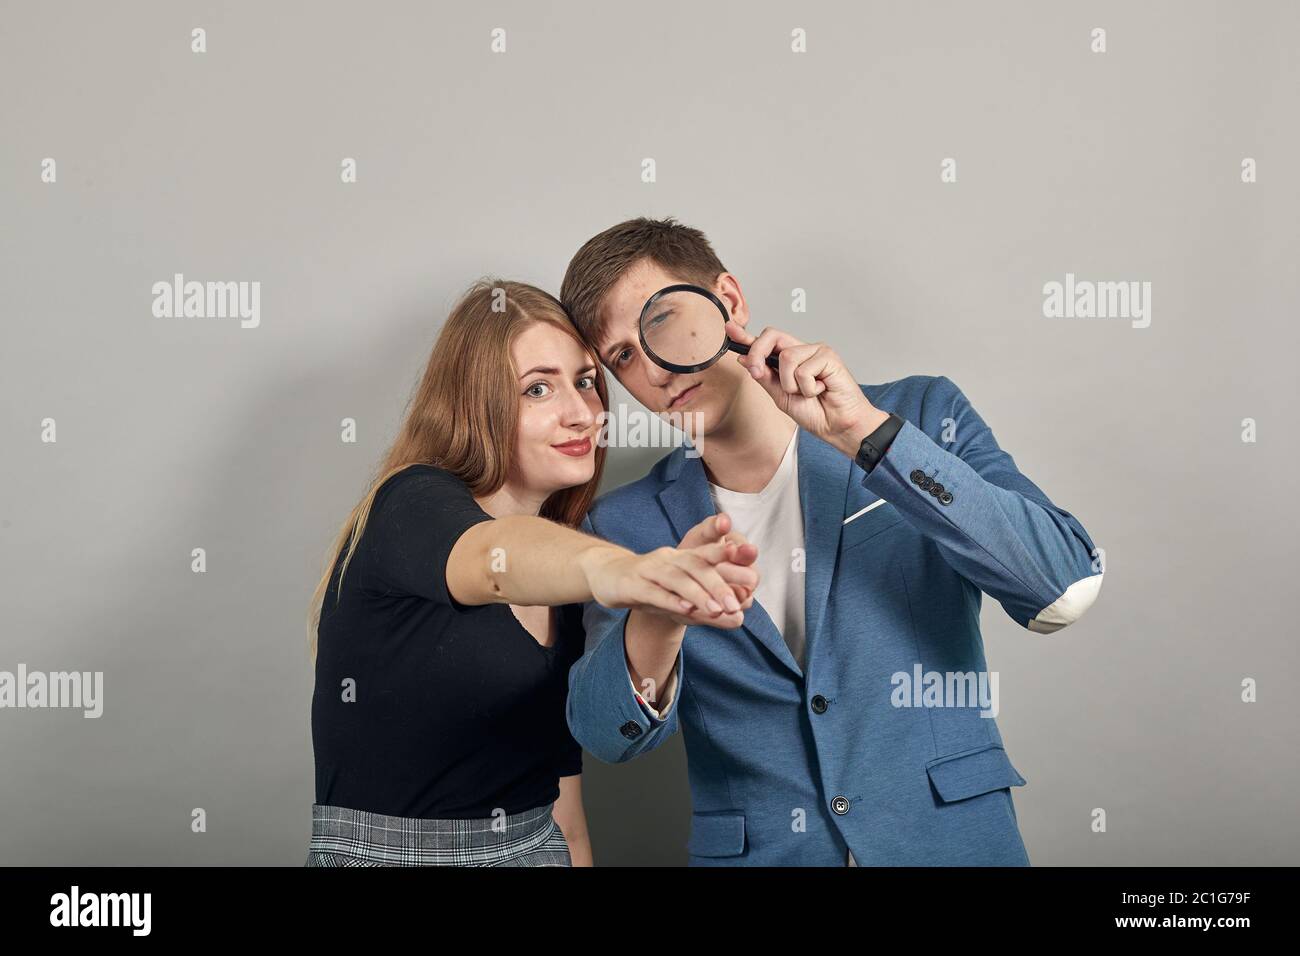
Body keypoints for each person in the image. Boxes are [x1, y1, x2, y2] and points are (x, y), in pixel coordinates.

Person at [559, 218, 1105, 865]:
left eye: (663, 322)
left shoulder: (923, 414)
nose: (653, 367)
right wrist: (655, 619)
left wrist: (866, 437)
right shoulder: (621, 525)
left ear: (728, 301)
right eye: (621, 356)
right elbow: (607, 735)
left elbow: (1064, 588)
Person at [305, 278, 758, 866]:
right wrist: (621, 570)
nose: (579, 413)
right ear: (476, 406)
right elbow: (494, 560)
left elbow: (565, 813)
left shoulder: (564, 577)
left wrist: (651, 608)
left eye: (586, 382)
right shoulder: (410, 504)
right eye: (538, 389)